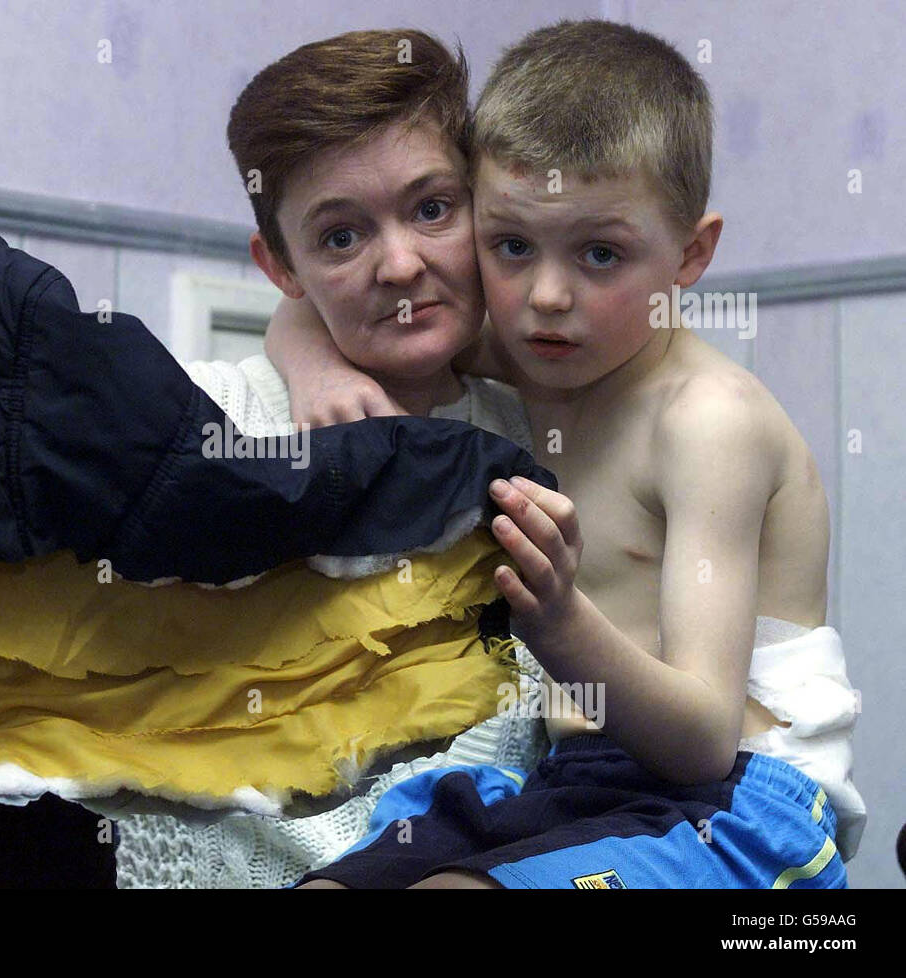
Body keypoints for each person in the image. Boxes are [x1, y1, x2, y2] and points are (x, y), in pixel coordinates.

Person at [0, 22, 544, 888]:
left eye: (432, 209)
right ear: (282, 268)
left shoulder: (548, 415)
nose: (401, 263)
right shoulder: (219, 414)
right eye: (341, 237)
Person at [270, 19, 865, 888]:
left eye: (600, 254)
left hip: (742, 803)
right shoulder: (526, 355)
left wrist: (557, 624)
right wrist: (312, 370)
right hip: (579, 783)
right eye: (512, 247)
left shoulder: (708, 423)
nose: (546, 297)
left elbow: (702, 739)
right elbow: (308, 305)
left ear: (692, 252)